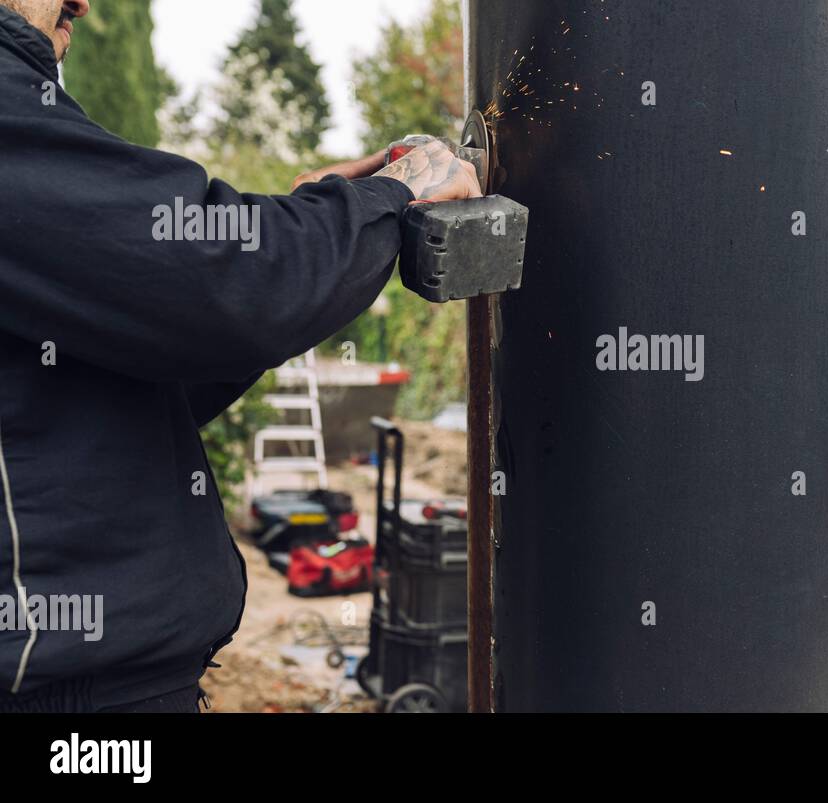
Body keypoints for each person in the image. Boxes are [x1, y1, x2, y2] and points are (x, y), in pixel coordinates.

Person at [0, 0, 480, 712]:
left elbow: (159, 358)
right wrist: (394, 195)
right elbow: (217, 278)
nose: (81, 2)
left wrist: (326, 220)